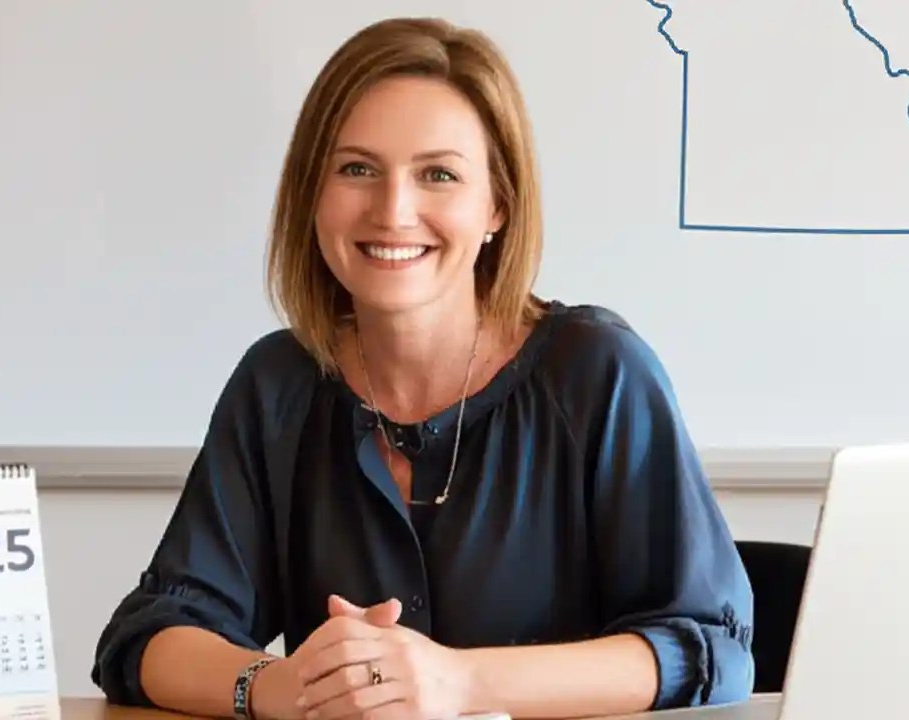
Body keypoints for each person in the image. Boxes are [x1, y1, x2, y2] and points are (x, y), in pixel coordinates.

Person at [92, 16, 754, 720]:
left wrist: (456, 682)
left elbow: (710, 648)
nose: (393, 210)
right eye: (357, 169)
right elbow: (148, 637)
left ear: (497, 203)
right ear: (311, 194)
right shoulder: (278, 383)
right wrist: (280, 686)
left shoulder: (596, 373)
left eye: (438, 174)